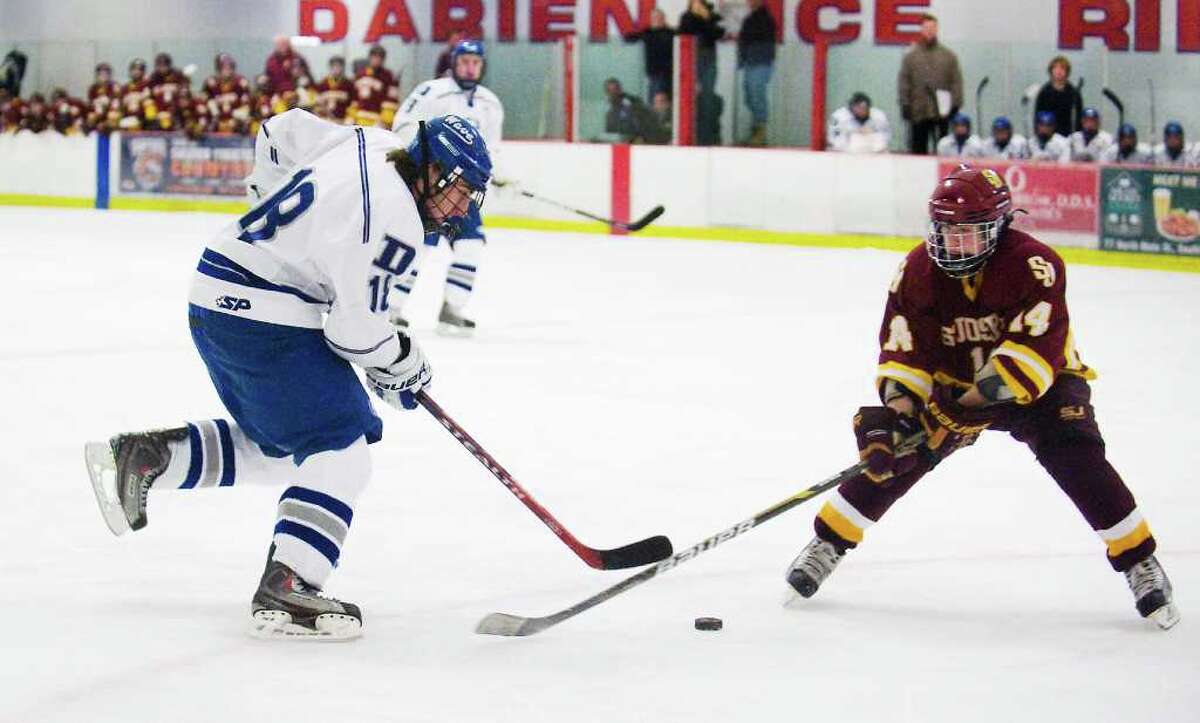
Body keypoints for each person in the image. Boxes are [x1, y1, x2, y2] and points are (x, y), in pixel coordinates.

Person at [85, 110, 492, 640]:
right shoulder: (397, 221)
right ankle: (291, 579)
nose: (461, 206)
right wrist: (402, 364)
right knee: (341, 448)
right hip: (262, 313)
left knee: (288, 448)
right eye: (457, 188)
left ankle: (152, 457)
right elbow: (353, 333)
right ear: (428, 167)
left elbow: (282, 129)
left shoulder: (371, 140)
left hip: (217, 291)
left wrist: (277, 215)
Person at [784, 164, 1180, 631]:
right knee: (896, 454)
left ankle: (1138, 561)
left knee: (1078, 458)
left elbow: (1031, 358)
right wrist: (900, 413)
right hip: (954, 385)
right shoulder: (915, 270)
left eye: (968, 233)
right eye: (946, 231)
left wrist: (962, 408)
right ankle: (827, 542)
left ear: (998, 227)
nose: (954, 244)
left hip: (1043, 386)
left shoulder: (1036, 265)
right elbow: (904, 352)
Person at [390, 40, 506, 333]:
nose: (470, 67)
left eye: (475, 62)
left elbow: (492, 150)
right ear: (454, 63)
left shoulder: (490, 103)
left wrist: (500, 175)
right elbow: (403, 126)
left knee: (471, 245)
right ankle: (390, 308)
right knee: (419, 248)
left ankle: (452, 308)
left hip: (461, 194)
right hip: (431, 188)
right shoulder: (432, 92)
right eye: (464, 61)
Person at [897, 13, 962, 155]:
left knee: (944, 149)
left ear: (937, 29)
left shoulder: (948, 56)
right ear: (921, 29)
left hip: (942, 112)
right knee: (918, 150)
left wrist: (955, 104)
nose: (930, 31)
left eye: (932, 27)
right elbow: (904, 81)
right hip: (918, 111)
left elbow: (956, 81)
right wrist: (905, 103)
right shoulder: (911, 56)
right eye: (926, 27)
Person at [736, 0, 776, 147]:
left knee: (757, 95)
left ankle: (761, 132)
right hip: (750, 63)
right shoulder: (750, 19)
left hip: (760, 62)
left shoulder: (765, 19)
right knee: (749, 96)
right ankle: (755, 129)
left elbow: (753, 38)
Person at [623, 8, 675, 103]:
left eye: (659, 17)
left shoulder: (671, 33)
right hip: (653, 72)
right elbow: (630, 38)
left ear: (663, 19)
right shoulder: (647, 32)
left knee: (661, 100)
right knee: (653, 100)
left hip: (667, 72)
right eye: (654, 18)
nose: (657, 20)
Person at [678, 0, 725, 97]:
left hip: (709, 57)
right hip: (692, 57)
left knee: (708, 90)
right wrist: (695, 15)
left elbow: (719, 33)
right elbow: (683, 34)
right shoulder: (686, 17)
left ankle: (706, 111)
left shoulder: (711, 16)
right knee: (691, 91)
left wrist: (707, 18)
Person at [602, 77, 668, 144]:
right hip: (618, 145)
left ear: (620, 89)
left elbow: (646, 125)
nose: (614, 93)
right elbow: (610, 133)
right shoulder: (610, 112)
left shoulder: (633, 105)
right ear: (607, 93)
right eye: (610, 91)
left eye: (616, 89)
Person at [351, 44, 400, 128]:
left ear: (383, 60)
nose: (377, 60)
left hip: (377, 120)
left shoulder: (388, 76)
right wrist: (351, 117)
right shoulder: (360, 74)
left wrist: (385, 120)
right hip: (360, 118)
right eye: (374, 57)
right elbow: (354, 98)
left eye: (379, 57)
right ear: (370, 58)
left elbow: (391, 100)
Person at [202, 53, 252, 134]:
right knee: (210, 104)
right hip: (218, 115)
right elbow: (205, 99)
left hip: (234, 115)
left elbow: (247, 100)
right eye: (224, 68)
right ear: (219, 68)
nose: (227, 70)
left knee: (245, 112)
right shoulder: (211, 82)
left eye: (229, 67)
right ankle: (213, 123)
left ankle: (241, 127)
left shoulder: (240, 82)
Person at [1034, 56, 1082, 138]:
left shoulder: (1073, 92)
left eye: (1062, 68)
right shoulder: (1044, 92)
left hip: (1068, 136)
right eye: (1055, 68)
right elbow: (1037, 116)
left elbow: (1079, 118)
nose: (1058, 71)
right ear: (1051, 71)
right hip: (1047, 135)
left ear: (1067, 72)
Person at [316, 56, 355, 123]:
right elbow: (318, 101)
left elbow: (352, 102)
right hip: (326, 117)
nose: (336, 69)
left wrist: (350, 116)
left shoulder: (348, 83)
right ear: (330, 67)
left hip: (342, 118)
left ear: (343, 68)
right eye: (334, 66)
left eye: (339, 66)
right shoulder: (323, 83)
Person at [86, 62, 121, 133]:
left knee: (113, 115)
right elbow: (91, 104)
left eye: (106, 74)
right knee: (91, 116)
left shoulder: (115, 86)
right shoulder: (93, 88)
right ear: (97, 76)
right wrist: (97, 104)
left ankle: (110, 131)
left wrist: (108, 103)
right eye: (101, 74)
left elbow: (117, 103)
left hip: (110, 111)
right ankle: (91, 134)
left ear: (109, 75)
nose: (103, 76)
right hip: (98, 112)